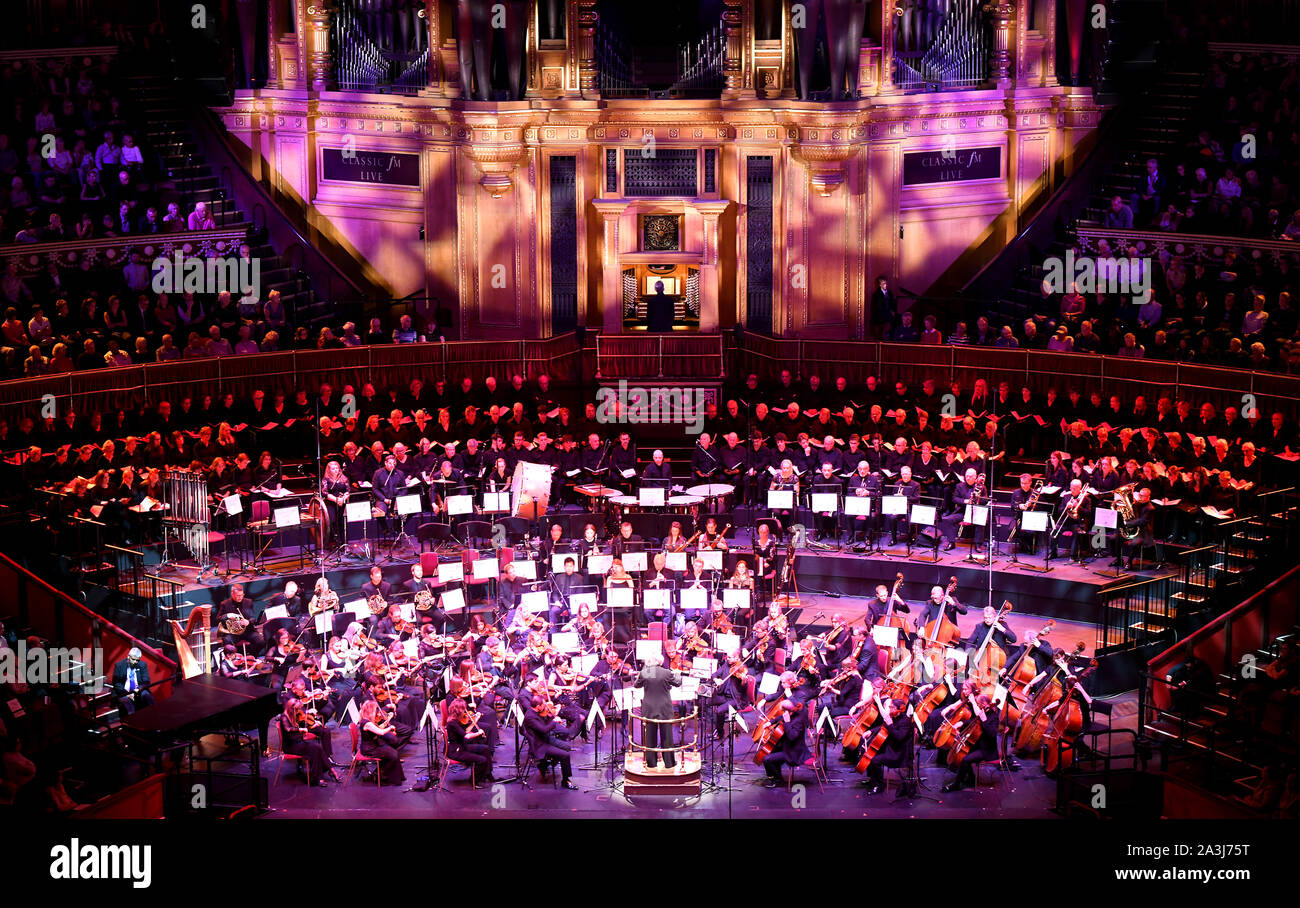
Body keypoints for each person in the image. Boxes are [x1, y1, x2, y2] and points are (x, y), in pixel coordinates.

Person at [634, 651, 682, 770]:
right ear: (660, 662)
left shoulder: (646, 673)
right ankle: (669, 763)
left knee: (650, 736)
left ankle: (651, 763)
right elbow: (677, 683)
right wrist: (678, 674)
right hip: (664, 708)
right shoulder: (666, 672)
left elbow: (636, 685)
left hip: (649, 708)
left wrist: (642, 674)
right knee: (667, 737)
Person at [445, 696, 496, 784]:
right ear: (459, 711)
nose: (466, 712)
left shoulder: (456, 720)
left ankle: (488, 774)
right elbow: (467, 736)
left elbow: (466, 731)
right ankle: (474, 781)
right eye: (464, 710)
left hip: (462, 746)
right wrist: (478, 733)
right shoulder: (452, 723)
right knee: (482, 760)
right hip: (456, 751)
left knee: (485, 749)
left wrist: (475, 720)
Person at [111, 647, 154, 715]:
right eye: (133, 659)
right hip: (123, 691)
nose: (135, 662)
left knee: (148, 698)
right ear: (128, 656)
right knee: (128, 705)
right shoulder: (119, 665)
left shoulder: (142, 665)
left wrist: (138, 690)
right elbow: (117, 683)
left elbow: (146, 680)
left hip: (138, 690)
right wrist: (127, 694)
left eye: (137, 660)